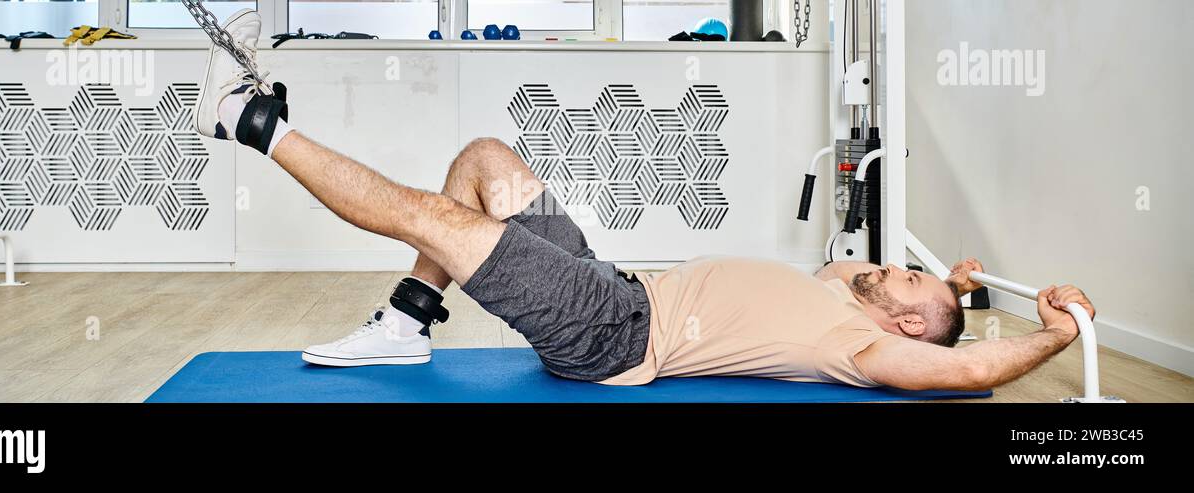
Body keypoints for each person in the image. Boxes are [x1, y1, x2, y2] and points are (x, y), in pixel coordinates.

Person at [194, 10, 1095, 389]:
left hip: (614, 334)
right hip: (614, 282)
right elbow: (877, 277)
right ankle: (407, 322)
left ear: (901, 327)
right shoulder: (849, 288)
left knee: (436, 216)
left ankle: (253, 122)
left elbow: (969, 369)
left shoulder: (860, 347)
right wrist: (965, 288)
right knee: (484, 158)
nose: (892, 267)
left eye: (910, 281)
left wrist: (1053, 334)